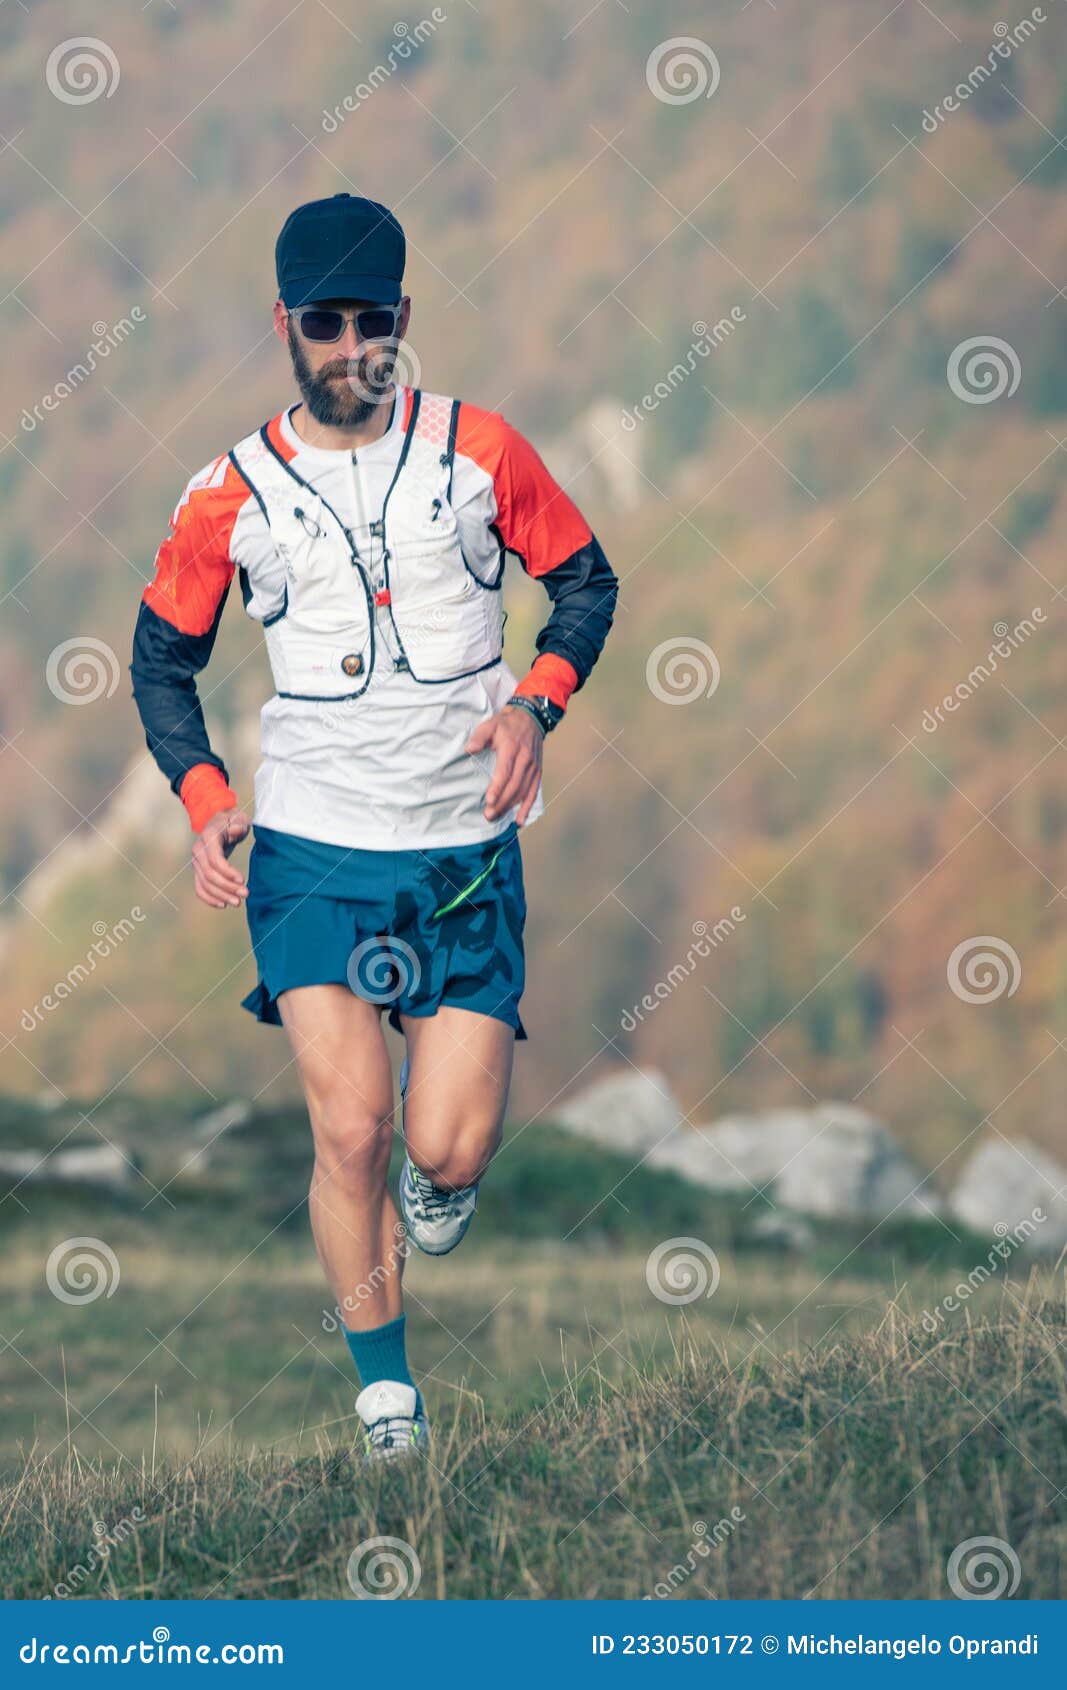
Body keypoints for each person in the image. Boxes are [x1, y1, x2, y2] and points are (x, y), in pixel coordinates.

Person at [131, 193, 617, 1461]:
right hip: (311, 856)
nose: (350, 346)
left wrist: (534, 704)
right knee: (349, 1126)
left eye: (370, 321)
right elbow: (160, 665)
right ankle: (386, 1405)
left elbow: (584, 582)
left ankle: (438, 1184)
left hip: (461, 852)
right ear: (286, 326)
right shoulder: (225, 495)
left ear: (402, 319)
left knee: (443, 1146)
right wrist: (206, 800)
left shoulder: (483, 450)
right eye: (323, 323)